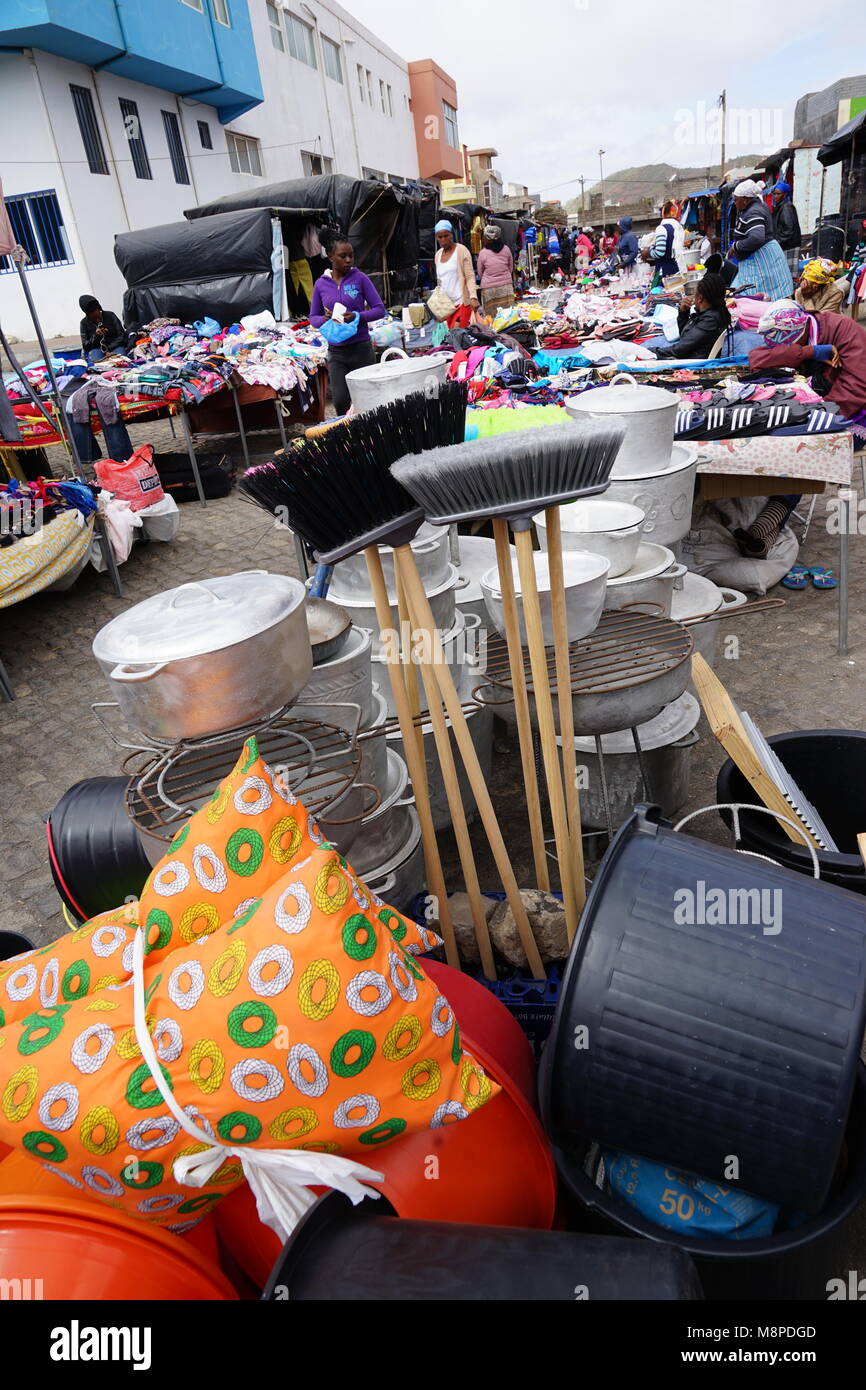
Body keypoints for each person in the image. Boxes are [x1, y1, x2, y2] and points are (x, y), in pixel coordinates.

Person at [748, 300, 866, 434]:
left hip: (850, 409)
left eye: (790, 345)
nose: (788, 348)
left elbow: (857, 384)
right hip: (816, 402)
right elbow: (756, 359)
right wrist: (810, 352)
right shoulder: (795, 332)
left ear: (802, 332)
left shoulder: (844, 329)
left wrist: (820, 412)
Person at [309, 237, 386, 417]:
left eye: (351, 256)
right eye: (343, 256)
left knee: (370, 400)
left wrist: (357, 317)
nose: (349, 260)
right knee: (341, 401)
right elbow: (313, 318)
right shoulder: (321, 284)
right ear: (330, 257)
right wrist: (325, 319)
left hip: (361, 349)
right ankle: (350, 440)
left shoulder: (360, 278)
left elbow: (379, 310)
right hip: (337, 353)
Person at [723, 180, 793, 300]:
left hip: (761, 260)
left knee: (750, 295)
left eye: (736, 199)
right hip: (762, 257)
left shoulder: (753, 212)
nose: (734, 203)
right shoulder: (757, 206)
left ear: (745, 199)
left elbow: (756, 238)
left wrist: (736, 246)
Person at [652, 273, 733, 360]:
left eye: (695, 294)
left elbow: (679, 350)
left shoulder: (709, 320)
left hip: (690, 361)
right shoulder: (714, 313)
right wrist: (684, 313)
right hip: (689, 356)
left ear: (699, 298)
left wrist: (651, 352)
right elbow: (685, 338)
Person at [433, 219, 479, 329]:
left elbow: (469, 276)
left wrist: (473, 296)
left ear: (451, 235)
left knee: (458, 336)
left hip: (461, 303)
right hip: (446, 307)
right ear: (436, 238)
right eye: (440, 237)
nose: (443, 240)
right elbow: (440, 281)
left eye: (446, 236)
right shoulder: (438, 255)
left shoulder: (461, 250)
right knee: (451, 339)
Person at [642, 203, 687, 284]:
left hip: (664, 274)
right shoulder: (678, 228)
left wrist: (647, 253)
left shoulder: (662, 228)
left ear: (664, 213)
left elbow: (660, 252)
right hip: (676, 270)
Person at [477, 224, 515, 316]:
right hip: (505, 288)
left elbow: (480, 271)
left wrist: (489, 279)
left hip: (489, 289)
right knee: (507, 315)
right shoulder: (506, 249)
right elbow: (511, 267)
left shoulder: (483, 253)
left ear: (487, 238)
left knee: (491, 317)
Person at [79, 296, 126, 364]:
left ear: (99, 309)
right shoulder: (84, 323)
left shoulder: (110, 315)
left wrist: (108, 347)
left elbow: (122, 335)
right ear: (88, 314)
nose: (97, 319)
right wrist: (95, 336)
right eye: (94, 317)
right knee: (96, 364)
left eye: (98, 315)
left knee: (122, 361)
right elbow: (86, 346)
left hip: (115, 346)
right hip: (97, 349)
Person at [772, 181, 802, 274]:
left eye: (778, 194)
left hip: (788, 246)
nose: (775, 196)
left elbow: (789, 229)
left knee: (787, 274)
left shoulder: (786, 208)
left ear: (784, 194)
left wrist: (778, 242)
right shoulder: (780, 207)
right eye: (774, 194)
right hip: (786, 246)